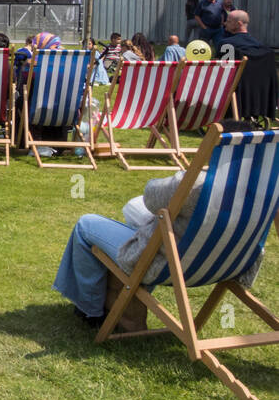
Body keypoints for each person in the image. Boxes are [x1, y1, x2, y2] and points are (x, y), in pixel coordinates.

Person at [53, 121, 260, 329]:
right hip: (226, 265)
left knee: (85, 225)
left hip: (167, 265)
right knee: (136, 216)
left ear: (214, 149)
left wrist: (185, 174)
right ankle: (120, 301)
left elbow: (151, 197)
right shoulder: (264, 191)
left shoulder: (196, 184)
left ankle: (91, 310)